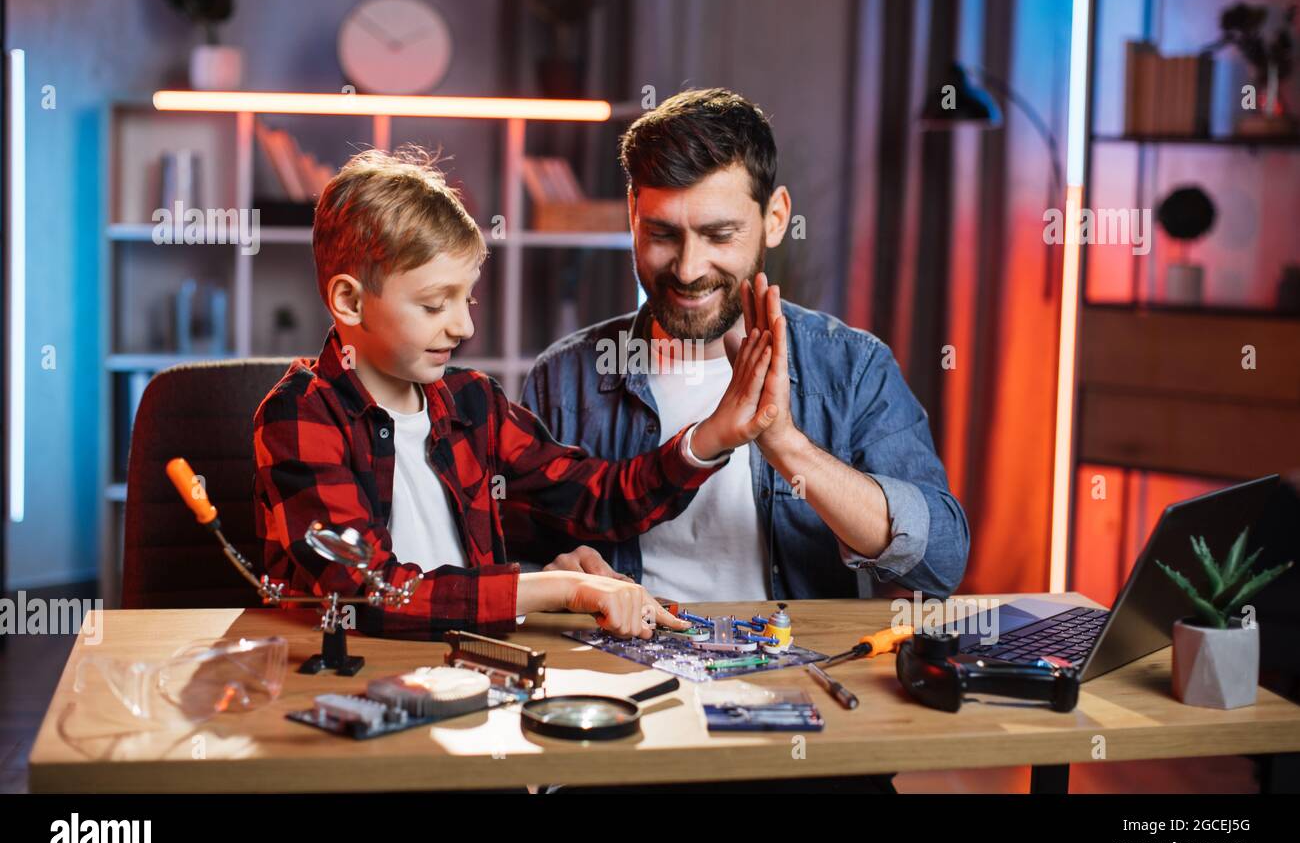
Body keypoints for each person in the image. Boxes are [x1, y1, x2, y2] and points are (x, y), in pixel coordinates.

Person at [252, 146, 782, 640]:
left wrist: (711, 437)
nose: (463, 328)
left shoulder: (473, 403)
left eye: (469, 302)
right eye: (436, 305)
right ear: (349, 300)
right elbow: (370, 592)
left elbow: (592, 497)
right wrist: (559, 590)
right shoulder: (298, 415)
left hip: (475, 672)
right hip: (347, 685)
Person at [517, 88, 969, 603]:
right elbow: (513, 557)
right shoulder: (564, 377)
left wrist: (785, 444)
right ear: (632, 214)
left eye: (719, 235)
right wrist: (554, 574)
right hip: (627, 676)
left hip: (796, 671)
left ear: (775, 218)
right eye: (662, 234)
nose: (688, 269)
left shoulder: (853, 367)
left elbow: (942, 561)